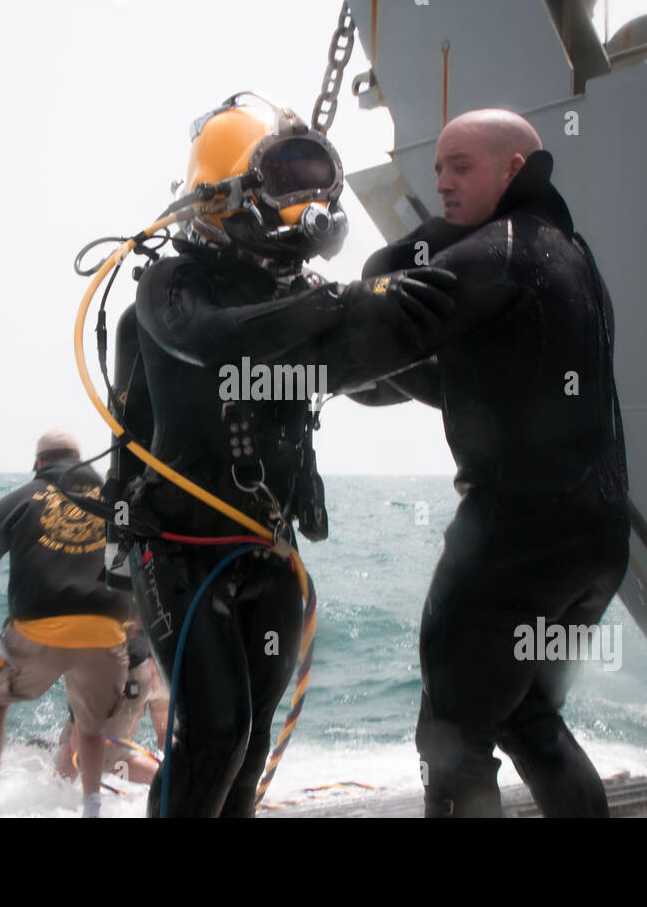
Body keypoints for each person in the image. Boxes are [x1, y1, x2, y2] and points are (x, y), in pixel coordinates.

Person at [122, 93, 457, 817]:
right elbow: (217, 339)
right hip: (176, 547)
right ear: (230, 192)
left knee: (250, 740)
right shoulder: (170, 287)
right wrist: (346, 303)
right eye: (286, 178)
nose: (309, 199)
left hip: (268, 549)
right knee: (217, 729)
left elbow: (370, 380)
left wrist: (471, 356)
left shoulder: (297, 298)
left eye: (318, 179)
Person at [352, 109, 631, 817]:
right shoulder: (572, 255)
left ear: (515, 169)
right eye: (439, 167)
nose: (441, 182)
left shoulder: (496, 252)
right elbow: (473, 389)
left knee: (453, 736)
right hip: (596, 543)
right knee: (528, 716)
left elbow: (366, 329)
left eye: (461, 166)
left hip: (514, 544)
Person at [0, 429, 132, 818]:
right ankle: (92, 810)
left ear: (39, 464)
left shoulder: (25, 498)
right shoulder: (116, 501)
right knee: (91, 726)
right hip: (107, 634)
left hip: (38, 632)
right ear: (81, 461)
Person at [53, 622, 170, 785]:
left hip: (128, 673)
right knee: (71, 745)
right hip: (148, 663)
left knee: (111, 759)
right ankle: (54, 800)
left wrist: (76, 718)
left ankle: (176, 786)